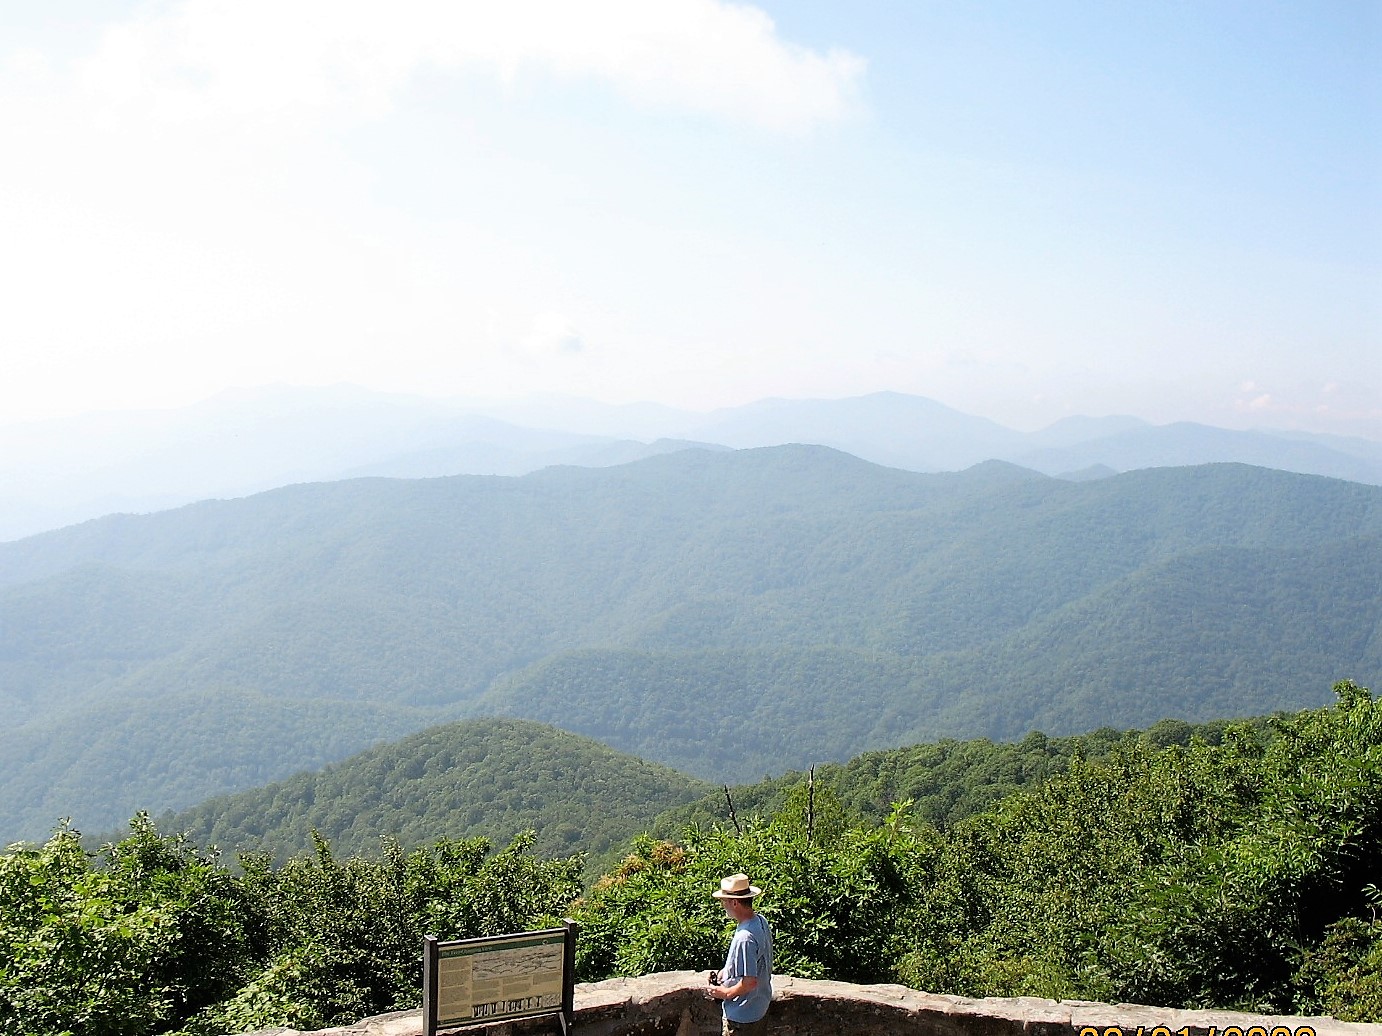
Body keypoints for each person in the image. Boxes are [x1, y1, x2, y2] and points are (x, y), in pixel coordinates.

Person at [706, 873, 773, 1034]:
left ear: (735, 903)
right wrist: (724, 973)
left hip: (742, 1014)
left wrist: (725, 993)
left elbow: (750, 982)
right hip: (760, 1005)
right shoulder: (760, 921)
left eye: (724, 901)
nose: (723, 905)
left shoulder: (745, 937)